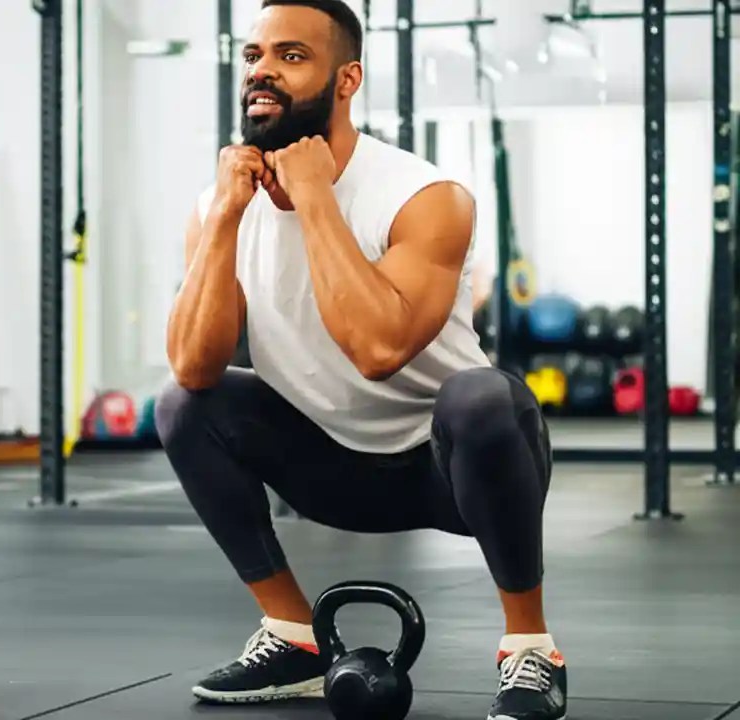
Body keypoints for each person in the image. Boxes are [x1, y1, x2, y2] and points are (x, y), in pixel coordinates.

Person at [154, 2, 566, 720]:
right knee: (184, 403)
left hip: (456, 471)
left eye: (290, 57)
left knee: (482, 396)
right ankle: (292, 637)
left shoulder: (425, 196)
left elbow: (378, 350)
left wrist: (316, 199)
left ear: (347, 80)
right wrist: (224, 215)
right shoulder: (218, 203)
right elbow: (194, 367)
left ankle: (531, 649)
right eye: (253, 56)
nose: (261, 73)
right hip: (328, 470)